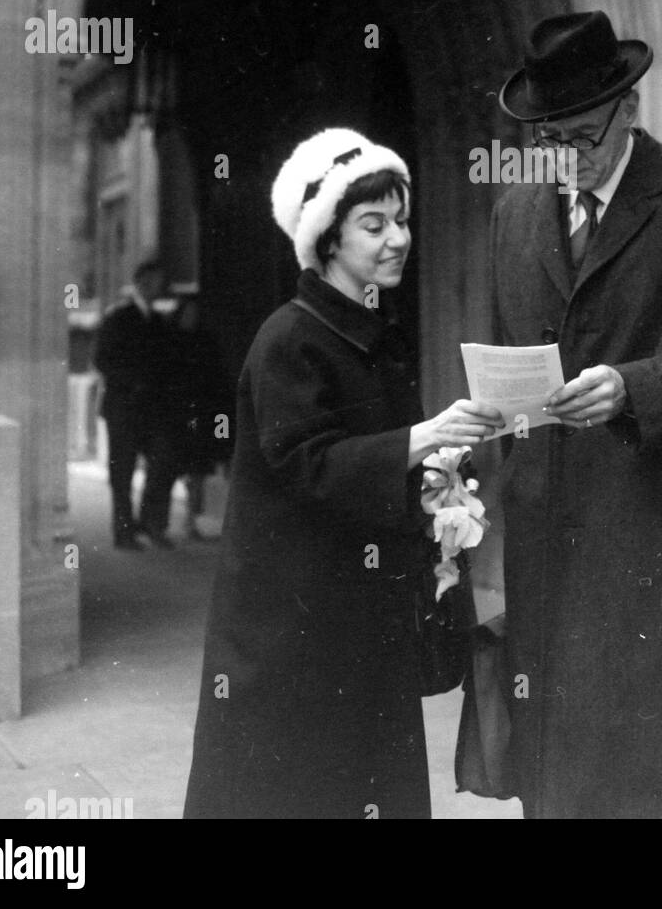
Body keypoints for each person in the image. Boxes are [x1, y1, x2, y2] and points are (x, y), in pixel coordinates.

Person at [490, 10, 662, 819]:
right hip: (550, 547)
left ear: (629, 109)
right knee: (565, 785)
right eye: (548, 140)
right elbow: (509, 344)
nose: (564, 159)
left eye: (580, 137)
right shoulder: (513, 215)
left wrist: (632, 388)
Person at [183, 128, 502, 819]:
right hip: (292, 636)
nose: (396, 238)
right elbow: (308, 463)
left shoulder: (370, 335)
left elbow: (368, 467)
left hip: (356, 625)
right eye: (373, 224)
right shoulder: (289, 339)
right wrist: (422, 439)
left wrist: (437, 477)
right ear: (327, 238)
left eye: (401, 219)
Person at [93, 257, 178, 551]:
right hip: (124, 406)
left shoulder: (158, 322)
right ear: (142, 282)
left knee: (162, 463)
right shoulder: (118, 317)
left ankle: (151, 523)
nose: (160, 287)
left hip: (152, 409)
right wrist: (132, 382)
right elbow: (102, 359)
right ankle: (124, 530)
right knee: (122, 471)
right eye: (155, 282)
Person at [164, 293, 232, 542]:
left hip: (200, 413)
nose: (191, 318)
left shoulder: (205, 342)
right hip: (178, 415)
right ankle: (163, 521)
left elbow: (217, 378)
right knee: (173, 469)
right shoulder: (170, 341)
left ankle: (190, 520)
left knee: (197, 472)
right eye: (188, 313)